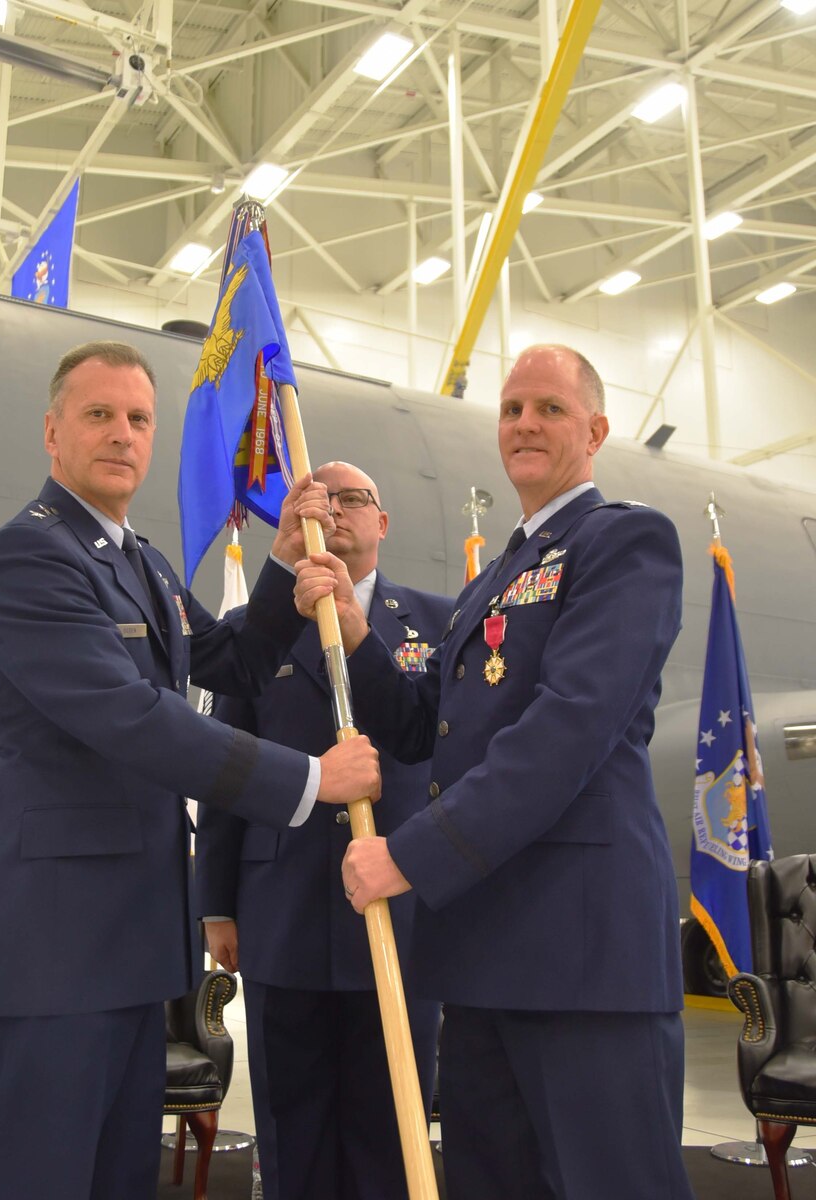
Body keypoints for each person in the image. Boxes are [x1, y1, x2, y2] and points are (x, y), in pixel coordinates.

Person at [0, 341, 381, 1200]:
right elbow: (136, 721)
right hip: (55, 949)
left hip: (132, 945)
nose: (122, 434)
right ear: (52, 431)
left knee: (116, 1178)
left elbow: (228, 659)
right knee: (36, 1178)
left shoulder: (140, 563)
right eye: (99, 414)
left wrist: (285, 575)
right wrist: (309, 782)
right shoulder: (32, 558)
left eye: (139, 419)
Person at [295, 345, 695, 1200]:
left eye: (548, 409)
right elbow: (422, 724)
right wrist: (358, 635)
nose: (523, 424)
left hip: (581, 959)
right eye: (512, 409)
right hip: (481, 957)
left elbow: (564, 732)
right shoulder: (499, 576)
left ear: (595, 429)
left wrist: (409, 856)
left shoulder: (624, 541)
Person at [195, 461, 451, 1200]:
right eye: (319, 498)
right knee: (291, 1120)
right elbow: (225, 769)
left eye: (354, 499)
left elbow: (444, 758)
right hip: (283, 910)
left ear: (382, 522)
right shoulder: (255, 632)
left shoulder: (437, 624)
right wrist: (217, 901)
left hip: (402, 912)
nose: (335, 509)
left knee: (391, 1117)